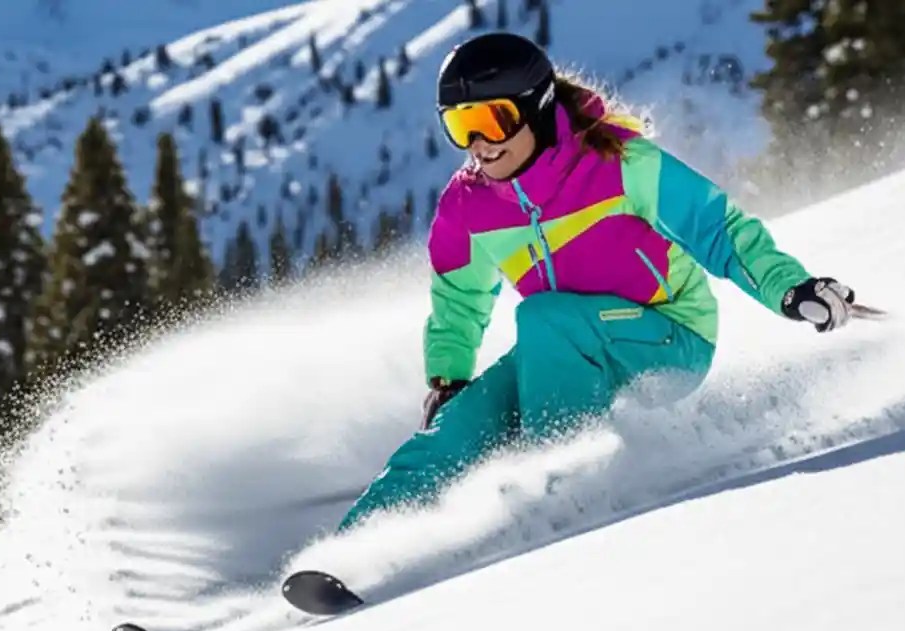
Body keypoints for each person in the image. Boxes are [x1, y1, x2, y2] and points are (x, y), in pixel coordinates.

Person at [337, 32, 859, 530]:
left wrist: (791, 289)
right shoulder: (466, 205)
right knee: (458, 426)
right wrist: (448, 378)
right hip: (564, 348)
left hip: (670, 336)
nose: (478, 144)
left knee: (544, 319)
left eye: (492, 121)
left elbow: (721, 231)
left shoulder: (618, 163)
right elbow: (459, 296)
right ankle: (350, 552)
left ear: (537, 109)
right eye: (459, 125)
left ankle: (561, 487)